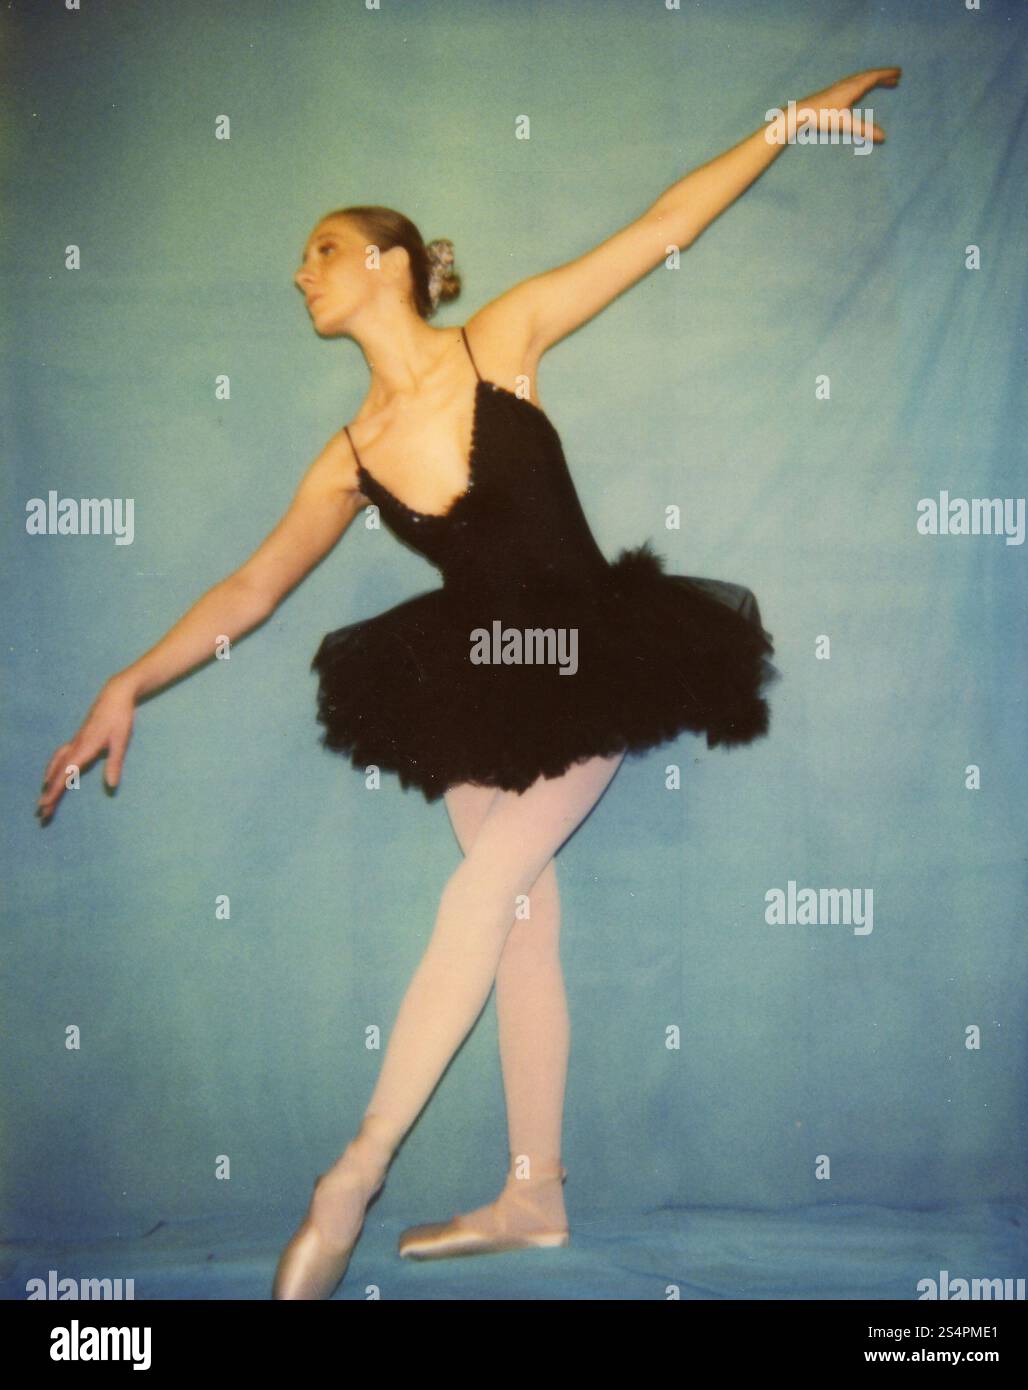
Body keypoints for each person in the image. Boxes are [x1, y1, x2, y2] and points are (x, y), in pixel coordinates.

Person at [35, 67, 900, 1300]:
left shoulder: (500, 342)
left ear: (391, 262)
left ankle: (349, 1181)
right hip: (470, 676)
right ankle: (533, 1195)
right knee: (516, 925)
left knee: (485, 891)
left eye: (322, 250)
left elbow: (662, 227)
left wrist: (786, 123)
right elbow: (249, 592)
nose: (302, 273)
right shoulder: (348, 457)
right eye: (300, 259)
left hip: (588, 652)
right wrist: (125, 682)